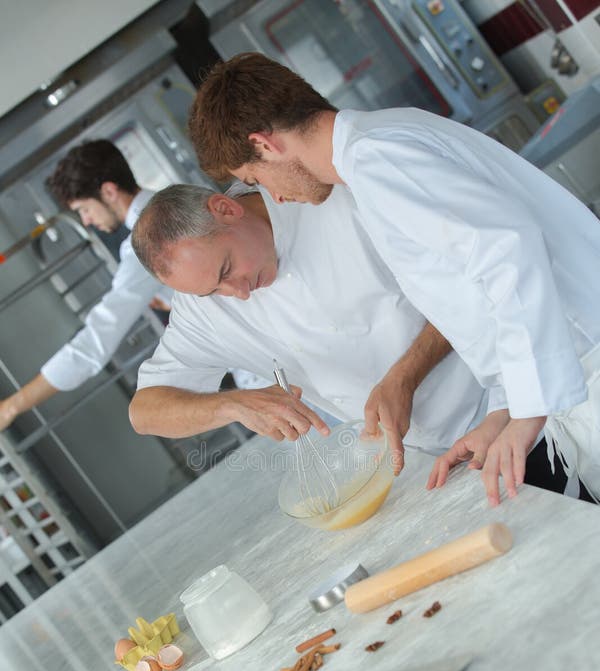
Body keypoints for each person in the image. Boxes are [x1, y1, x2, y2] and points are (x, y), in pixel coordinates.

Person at [187, 52, 600, 505]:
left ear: (264, 144)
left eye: (254, 178)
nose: (275, 197)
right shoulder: (376, 146)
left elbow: (509, 253)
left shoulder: (377, 160)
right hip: (574, 377)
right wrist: (502, 412)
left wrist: (528, 411)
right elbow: (476, 291)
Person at [129, 182, 493, 466]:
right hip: (435, 457)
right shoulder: (202, 308)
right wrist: (233, 405)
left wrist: (405, 376)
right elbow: (144, 411)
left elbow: (465, 283)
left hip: (509, 401)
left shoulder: (325, 197)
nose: (237, 293)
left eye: (227, 269)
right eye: (214, 291)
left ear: (226, 210)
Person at [0, 140, 171, 430]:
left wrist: (11, 406)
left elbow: (95, 342)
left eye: (84, 209)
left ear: (108, 191)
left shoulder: (146, 239)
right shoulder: (169, 203)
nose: (87, 221)